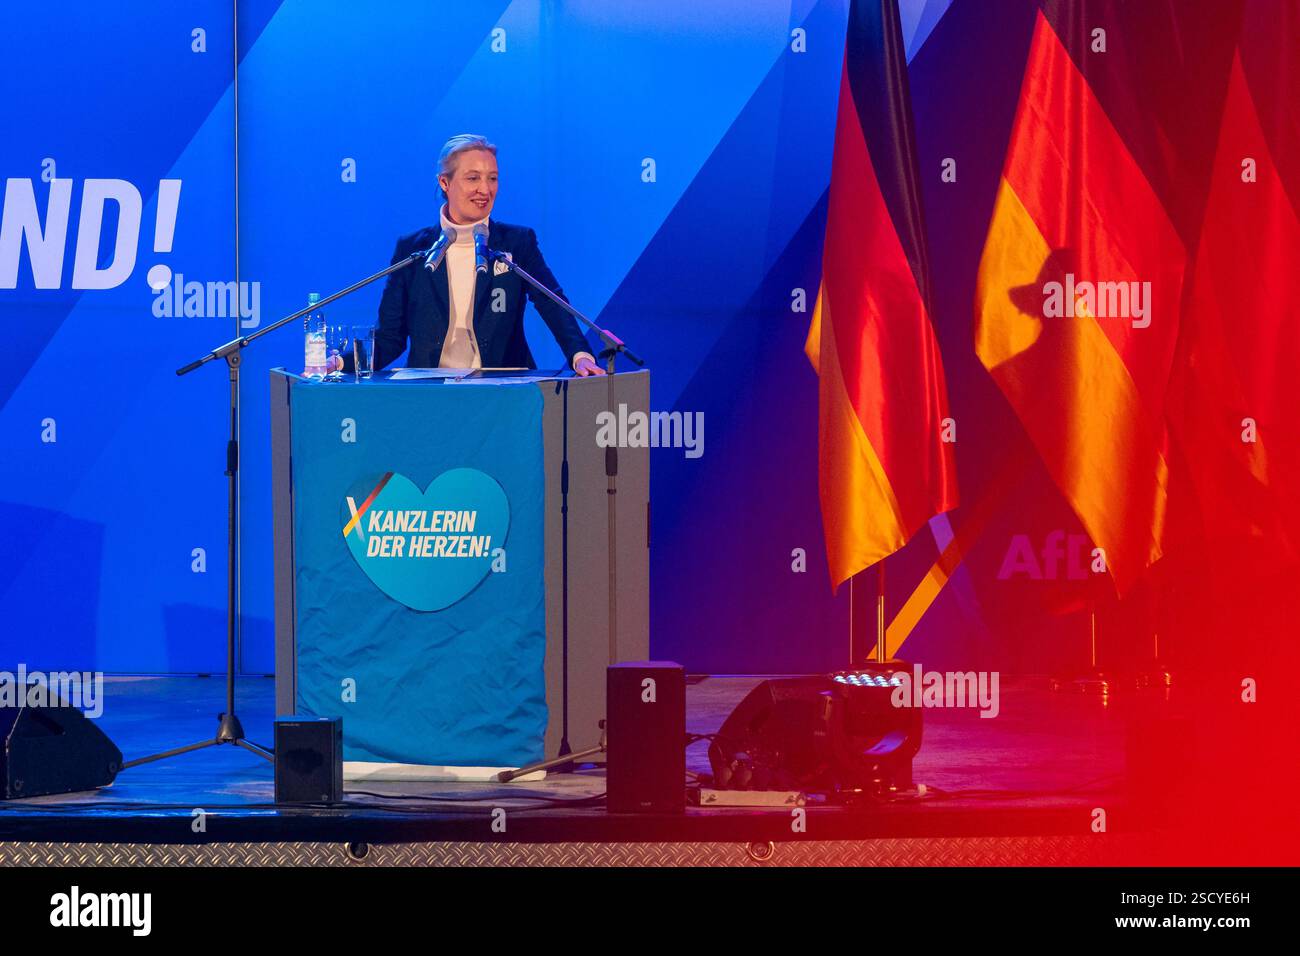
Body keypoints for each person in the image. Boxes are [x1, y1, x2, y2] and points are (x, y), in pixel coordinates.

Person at [336, 133, 602, 376]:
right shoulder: (413, 250)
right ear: (445, 182)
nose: (485, 190)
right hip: (429, 394)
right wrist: (339, 363)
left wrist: (579, 355)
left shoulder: (517, 242)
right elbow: (389, 339)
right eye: (473, 178)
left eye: (492, 178)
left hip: (502, 390)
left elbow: (552, 304)